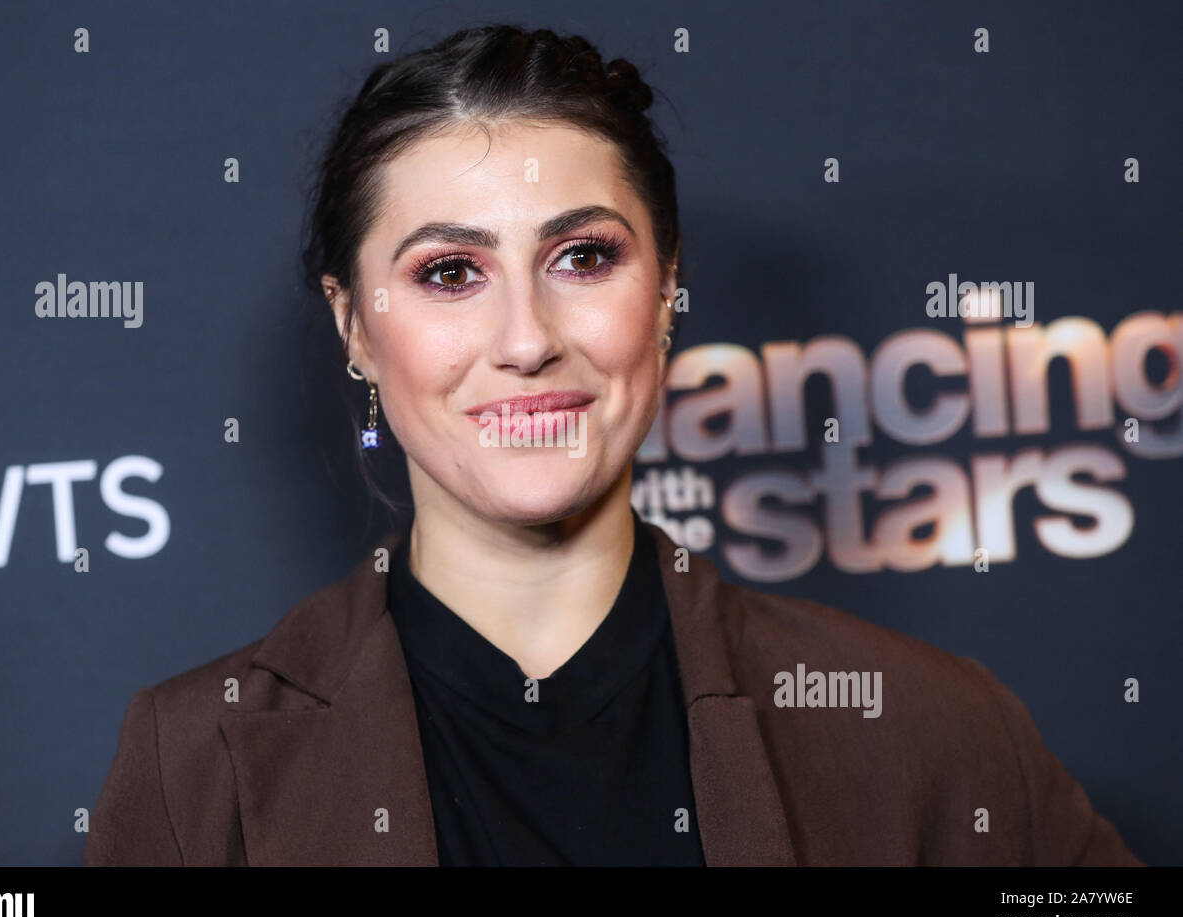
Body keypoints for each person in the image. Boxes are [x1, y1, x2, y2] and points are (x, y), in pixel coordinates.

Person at [85, 24, 1140, 866]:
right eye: (450, 271)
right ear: (354, 324)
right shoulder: (196, 763)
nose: (528, 338)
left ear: (668, 290)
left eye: (584, 256)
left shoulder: (935, 728)